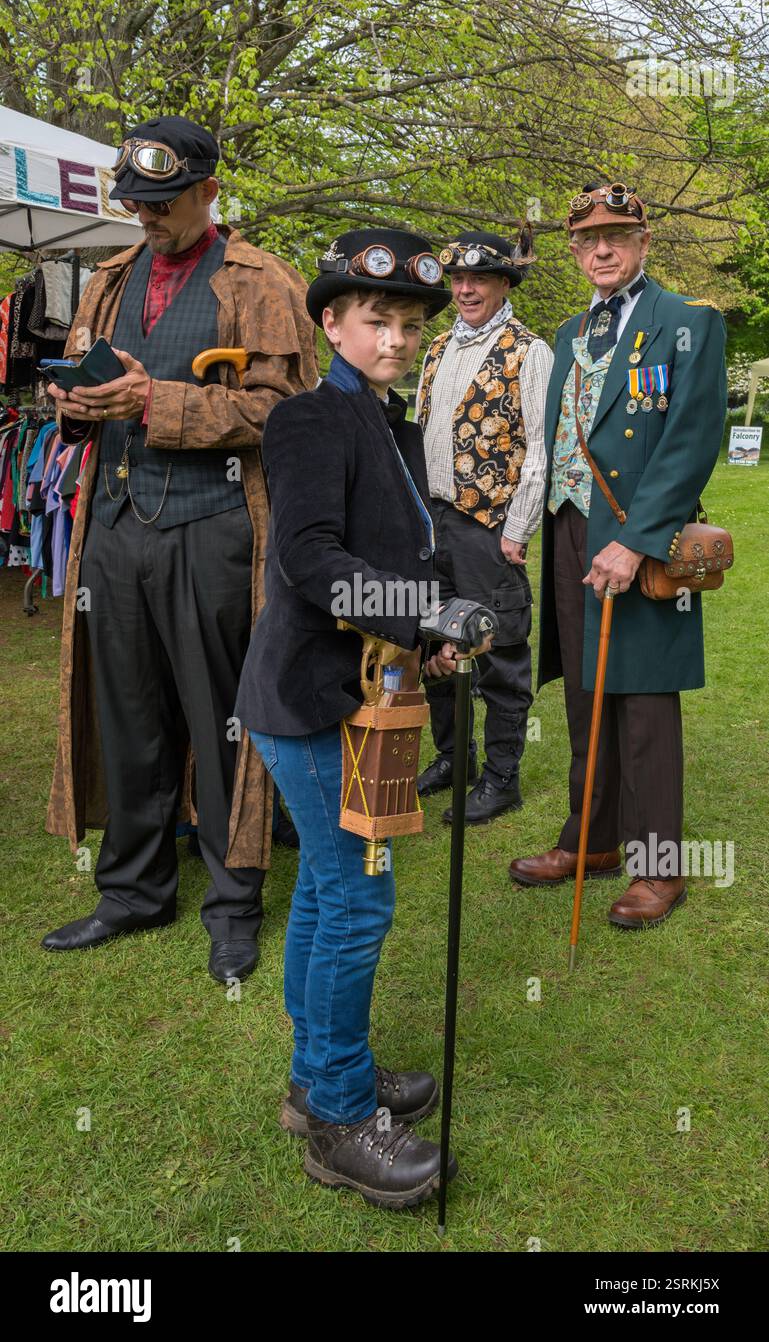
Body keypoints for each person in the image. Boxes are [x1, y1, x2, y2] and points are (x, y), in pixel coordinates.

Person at [42, 114, 318, 981]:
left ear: (208, 190)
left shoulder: (263, 280)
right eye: (136, 201)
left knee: (222, 719)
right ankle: (132, 891)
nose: (146, 216)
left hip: (215, 529)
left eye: (162, 202)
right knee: (129, 714)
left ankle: (232, 904)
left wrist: (155, 402)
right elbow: (78, 378)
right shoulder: (109, 278)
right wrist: (74, 406)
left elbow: (286, 414)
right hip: (114, 527)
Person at [234, 226, 470, 1208]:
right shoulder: (307, 418)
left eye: (411, 324)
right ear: (332, 322)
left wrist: (433, 623)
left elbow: (402, 547)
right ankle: (337, 1119)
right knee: (356, 898)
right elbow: (310, 560)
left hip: (364, 691)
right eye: (378, 320)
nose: (397, 339)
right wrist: (420, 615)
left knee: (328, 896)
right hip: (307, 697)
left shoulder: (387, 420)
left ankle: (318, 1077)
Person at [508, 181, 727, 928]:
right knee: (586, 692)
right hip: (572, 526)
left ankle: (658, 867)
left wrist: (634, 543)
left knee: (643, 700)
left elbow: (690, 441)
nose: (600, 250)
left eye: (616, 237)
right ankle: (593, 839)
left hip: (640, 534)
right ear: (574, 250)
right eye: (586, 240)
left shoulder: (688, 322)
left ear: (643, 242)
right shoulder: (571, 331)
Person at [414, 227, 553, 824]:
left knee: (498, 652)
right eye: (458, 279)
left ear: (503, 284)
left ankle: (502, 777)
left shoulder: (530, 351)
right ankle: (455, 758)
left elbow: (540, 450)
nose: (466, 289)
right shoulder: (437, 346)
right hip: (434, 520)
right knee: (436, 641)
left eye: (479, 279)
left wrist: (517, 529)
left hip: (488, 526)